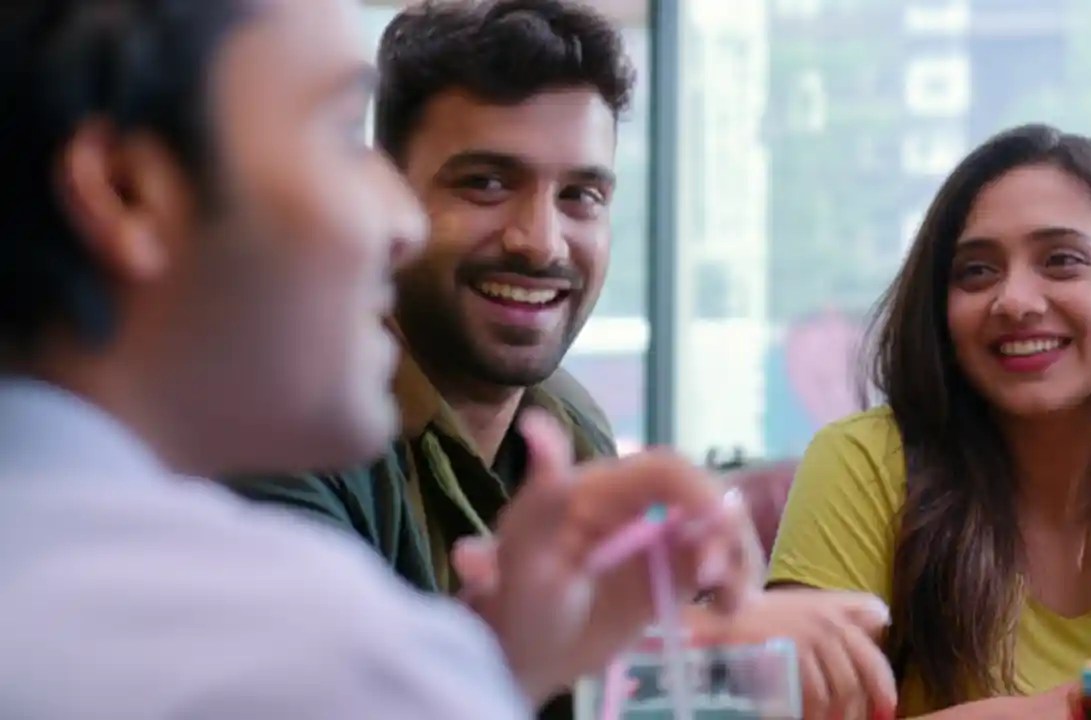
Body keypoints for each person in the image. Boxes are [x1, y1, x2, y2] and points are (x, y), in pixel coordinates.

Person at [0, 0, 762, 717]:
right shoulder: (301, 642)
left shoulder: (562, 425)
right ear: (126, 189)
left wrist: (500, 662)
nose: (394, 221)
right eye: (334, 134)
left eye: (582, 195)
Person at [231, 2, 896, 719]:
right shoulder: (288, 422)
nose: (541, 241)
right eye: (486, 183)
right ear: (383, 194)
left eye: (581, 196)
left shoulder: (569, 423)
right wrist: (691, 652)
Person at [767, 124, 1091, 718]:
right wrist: (1083, 705)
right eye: (976, 271)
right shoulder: (866, 462)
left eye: (1062, 261)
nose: (1015, 300)